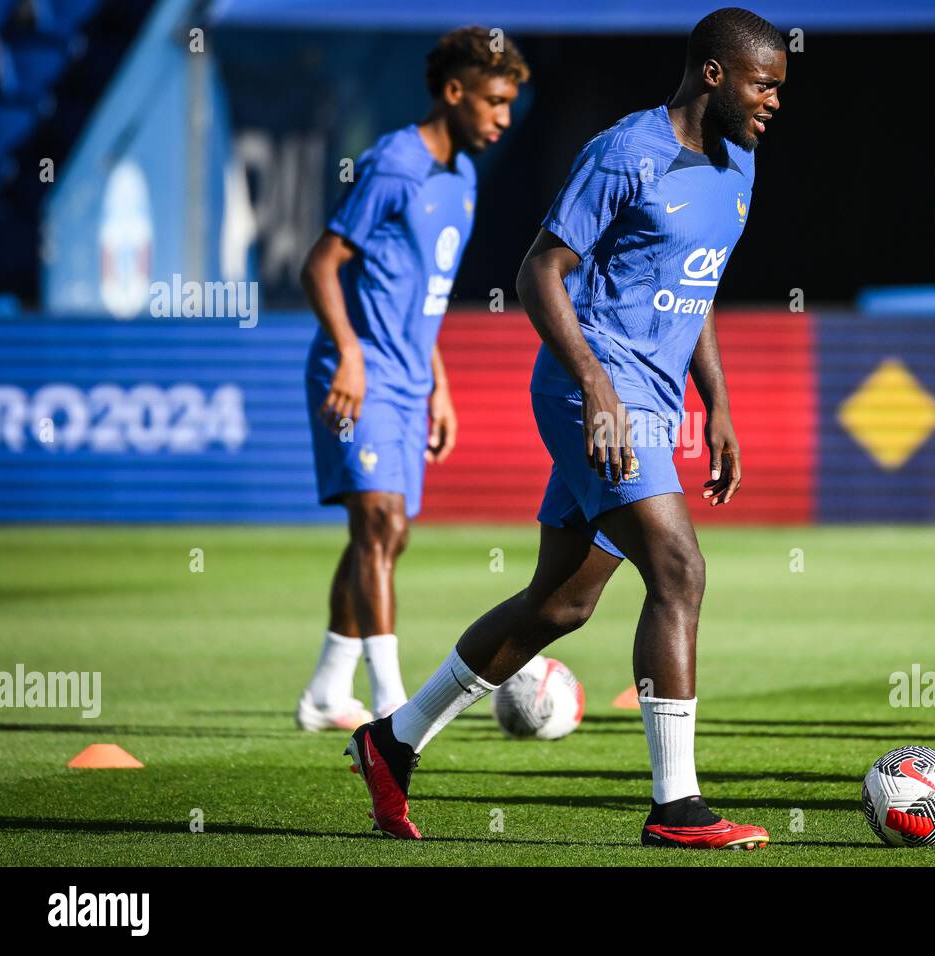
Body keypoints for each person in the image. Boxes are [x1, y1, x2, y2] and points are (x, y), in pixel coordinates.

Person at [345, 7, 786, 848]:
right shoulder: (626, 152)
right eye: (765, 84)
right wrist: (597, 388)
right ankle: (676, 806)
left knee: (561, 605)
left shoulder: (739, 164)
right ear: (716, 74)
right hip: (593, 389)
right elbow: (537, 270)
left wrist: (716, 403)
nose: (773, 102)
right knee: (680, 567)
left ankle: (391, 743)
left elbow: (697, 289)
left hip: (655, 399)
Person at [296, 28, 528, 731]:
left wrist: (442, 384)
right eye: (493, 102)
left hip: (407, 381)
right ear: (453, 93)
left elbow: (423, 293)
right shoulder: (396, 162)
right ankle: (393, 703)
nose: (503, 118)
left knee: (386, 538)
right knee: (380, 521)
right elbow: (320, 264)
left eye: (510, 104)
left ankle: (327, 693)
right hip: (355, 375)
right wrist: (351, 353)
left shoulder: (462, 178)